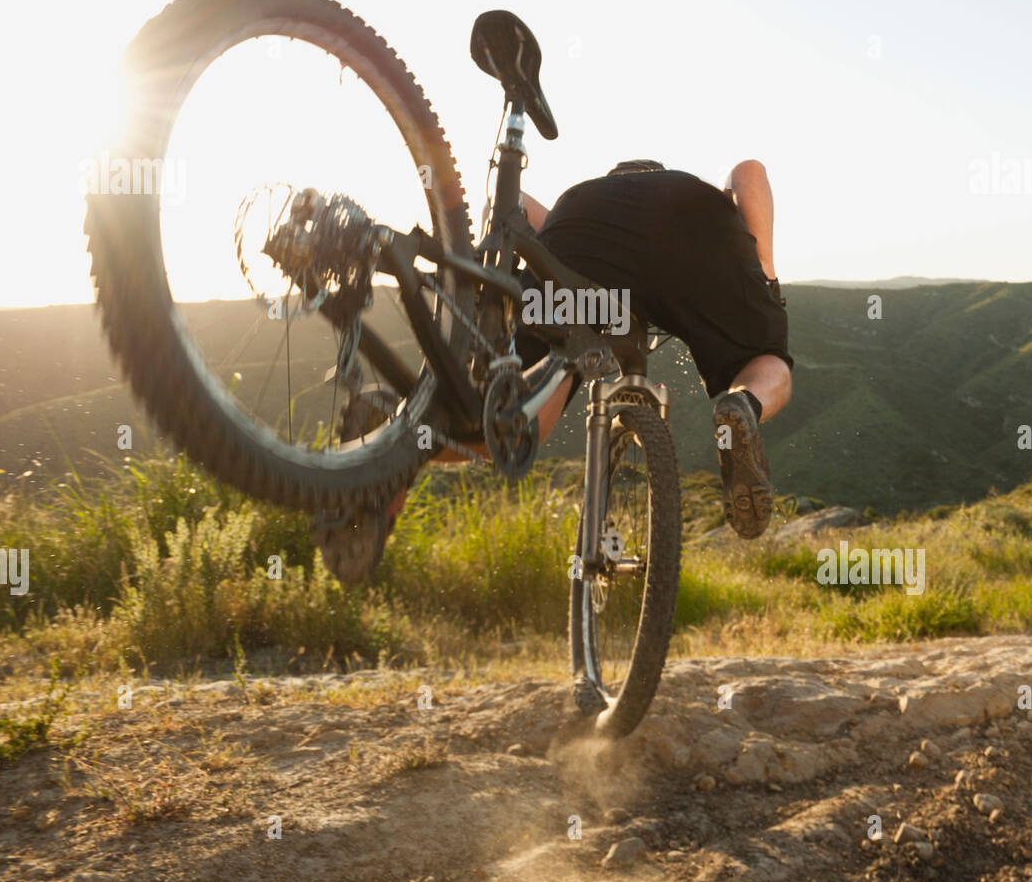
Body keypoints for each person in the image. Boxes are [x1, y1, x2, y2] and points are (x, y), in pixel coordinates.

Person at [319, 159, 793, 577]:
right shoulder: (692, 191)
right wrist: (764, 267)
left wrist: (497, 288)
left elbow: (515, 207)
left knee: (516, 418)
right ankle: (743, 405)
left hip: (581, 243)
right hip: (696, 239)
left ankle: (399, 441)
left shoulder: (588, 197)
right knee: (765, 359)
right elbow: (749, 170)